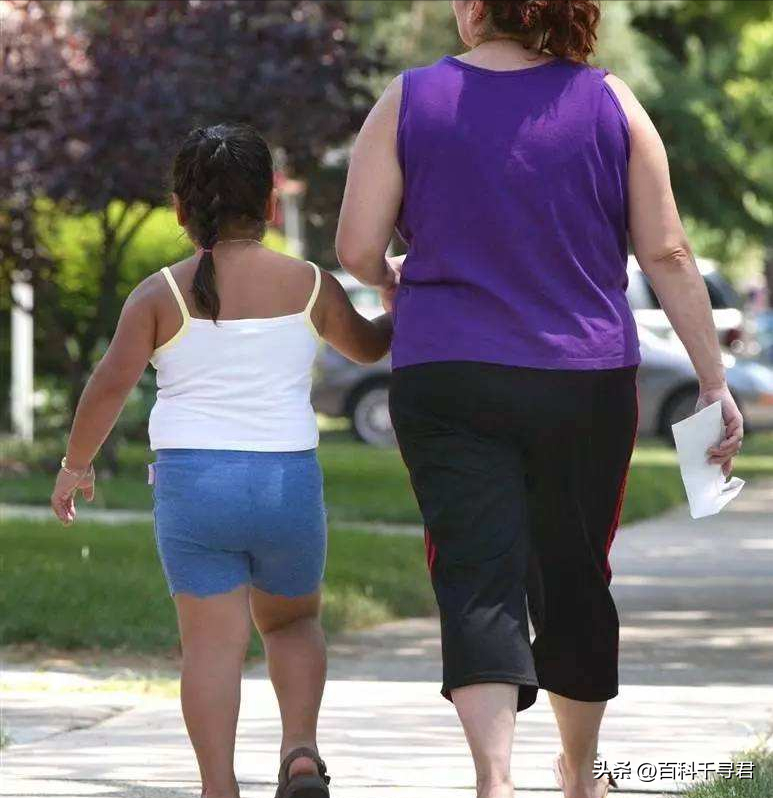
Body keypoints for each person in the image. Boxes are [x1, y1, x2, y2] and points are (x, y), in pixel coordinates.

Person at [335, 2, 744, 797]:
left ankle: (494, 782)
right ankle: (580, 776)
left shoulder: (408, 98)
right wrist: (710, 379)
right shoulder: (610, 101)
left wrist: (392, 282)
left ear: (476, 7)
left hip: (446, 372)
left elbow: (355, 247)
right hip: (581, 377)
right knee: (572, 572)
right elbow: (665, 250)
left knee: (474, 571)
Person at [51, 123, 392, 798]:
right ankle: (300, 753)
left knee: (211, 647)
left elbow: (109, 385)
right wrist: (398, 306)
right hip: (286, 484)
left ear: (180, 209)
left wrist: (74, 466)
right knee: (293, 623)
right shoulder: (310, 285)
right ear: (269, 203)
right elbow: (369, 348)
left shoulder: (159, 294)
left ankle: (217, 785)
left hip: (195, 487)